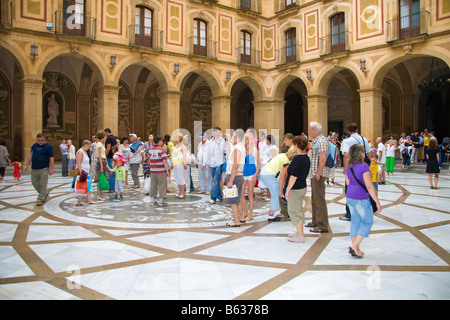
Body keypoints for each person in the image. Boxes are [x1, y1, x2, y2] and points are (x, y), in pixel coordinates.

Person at [345, 144, 381, 258]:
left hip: (350, 196)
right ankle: (354, 246)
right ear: (360, 153)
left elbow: (347, 182)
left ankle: (356, 247)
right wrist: (377, 202)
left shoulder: (348, 167)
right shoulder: (364, 167)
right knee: (368, 222)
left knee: (355, 221)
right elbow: (370, 186)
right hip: (361, 198)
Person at [340, 123, 371, 221]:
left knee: (350, 189)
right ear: (357, 130)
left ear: (348, 131)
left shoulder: (348, 141)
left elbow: (346, 155)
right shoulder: (364, 139)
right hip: (362, 166)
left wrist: (345, 169)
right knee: (362, 188)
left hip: (352, 166)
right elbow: (369, 153)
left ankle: (350, 213)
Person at [285, 135, 310, 243]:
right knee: (298, 210)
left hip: (295, 189)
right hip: (302, 186)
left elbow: (293, 176)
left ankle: (300, 236)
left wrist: (287, 190)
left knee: (293, 211)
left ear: (297, 145)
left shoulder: (297, 159)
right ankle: (299, 231)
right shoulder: (306, 157)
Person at [306, 122, 330, 233]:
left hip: (318, 176)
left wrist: (318, 173)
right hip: (314, 175)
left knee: (319, 200)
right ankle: (315, 221)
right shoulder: (316, 141)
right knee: (314, 199)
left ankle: (322, 225)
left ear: (314, 130)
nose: (308, 132)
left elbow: (323, 158)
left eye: (309, 129)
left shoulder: (322, 141)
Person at [260, 150, 296, 221]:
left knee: (279, 185)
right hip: (269, 175)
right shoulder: (286, 161)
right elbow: (282, 178)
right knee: (275, 194)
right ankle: (271, 214)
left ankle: (282, 195)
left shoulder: (282, 155)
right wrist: (280, 191)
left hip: (264, 172)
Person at [24, 133, 54, 206]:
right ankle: (44, 193)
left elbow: (51, 158)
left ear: (44, 139)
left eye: (42, 140)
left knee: (43, 184)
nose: (40, 142)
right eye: (39, 140)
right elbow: (30, 156)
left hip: (44, 168)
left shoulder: (48, 147)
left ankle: (40, 199)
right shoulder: (34, 146)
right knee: (34, 183)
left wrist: (51, 169)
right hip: (34, 168)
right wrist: (26, 165)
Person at [225, 129, 246, 227]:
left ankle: (236, 220)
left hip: (235, 176)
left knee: (233, 200)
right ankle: (237, 217)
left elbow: (235, 164)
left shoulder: (237, 148)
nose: (232, 138)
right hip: (239, 175)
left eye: (233, 136)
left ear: (236, 137)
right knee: (237, 199)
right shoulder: (241, 147)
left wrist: (230, 180)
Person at [241, 131, 261, 222]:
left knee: (250, 194)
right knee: (241, 194)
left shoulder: (254, 150)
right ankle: (245, 212)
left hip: (251, 174)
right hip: (243, 173)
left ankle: (251, 214)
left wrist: (255, 174)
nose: (247, 140)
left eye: (248, 138)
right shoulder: (243, 150)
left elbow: (259, 164)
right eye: (246, 138)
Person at [205, 127, 226, 204]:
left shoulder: (222, 140)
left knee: (215, 180)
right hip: (212, 163)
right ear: (213, 133)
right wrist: (208, 162)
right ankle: (220, 196)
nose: (218, 133)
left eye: (219, 132)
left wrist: (219, 145)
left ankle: (213, 198)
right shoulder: (210, 142)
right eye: (216, 132)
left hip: (219, 163)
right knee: (215, 180)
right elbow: (209, 153)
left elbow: (225, 150)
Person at [148, 136, 169, 206]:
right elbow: (164, 161)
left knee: (153, 185)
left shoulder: (150, 149)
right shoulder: (161, 150)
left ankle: (152, 200)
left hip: (153, 170)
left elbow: (149, 159)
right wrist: (167, 170)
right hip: (161, 170)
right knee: (162, 185)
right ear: (160, 141)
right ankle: (161, 201)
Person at [72, 140, 94, 205]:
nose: (89, 148)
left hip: (86, 171)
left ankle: (89, 198)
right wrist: (80, 171)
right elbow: (78, 162)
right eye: (88, 146)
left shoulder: (85, 152)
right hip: (82, 172)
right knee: (80, 185)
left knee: (88, 185)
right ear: (85, 145)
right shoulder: (80, 152)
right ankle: (80, 200)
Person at [172, 134, 188, 199]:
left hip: (180, 163)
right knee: (177, 178)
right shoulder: (175, 146)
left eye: (177, 138)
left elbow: (184, 154)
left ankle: (182, 192)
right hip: (175, 164)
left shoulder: (182, 146)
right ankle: (179, 191)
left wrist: (184, 162)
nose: (176, 140)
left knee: (181, 177)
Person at [95, 130, 108, 201]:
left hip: (103, 160)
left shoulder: (101, 144)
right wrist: (101, 166)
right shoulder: (99, 144)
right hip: (100, 161)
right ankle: (98, 194)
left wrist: (106, 163)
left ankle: (101, 192)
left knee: (102, 177)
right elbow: (100, 155)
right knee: (99, 178)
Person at [104, 128, 117, 192]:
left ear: (107, 132)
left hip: (109, 156)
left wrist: (105, 155)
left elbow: (108, 148)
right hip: (114, 156)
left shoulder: (109, 138)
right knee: (113, 171)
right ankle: (114, 186)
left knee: (110, 171)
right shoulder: (114, 138)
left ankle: (111, 187)